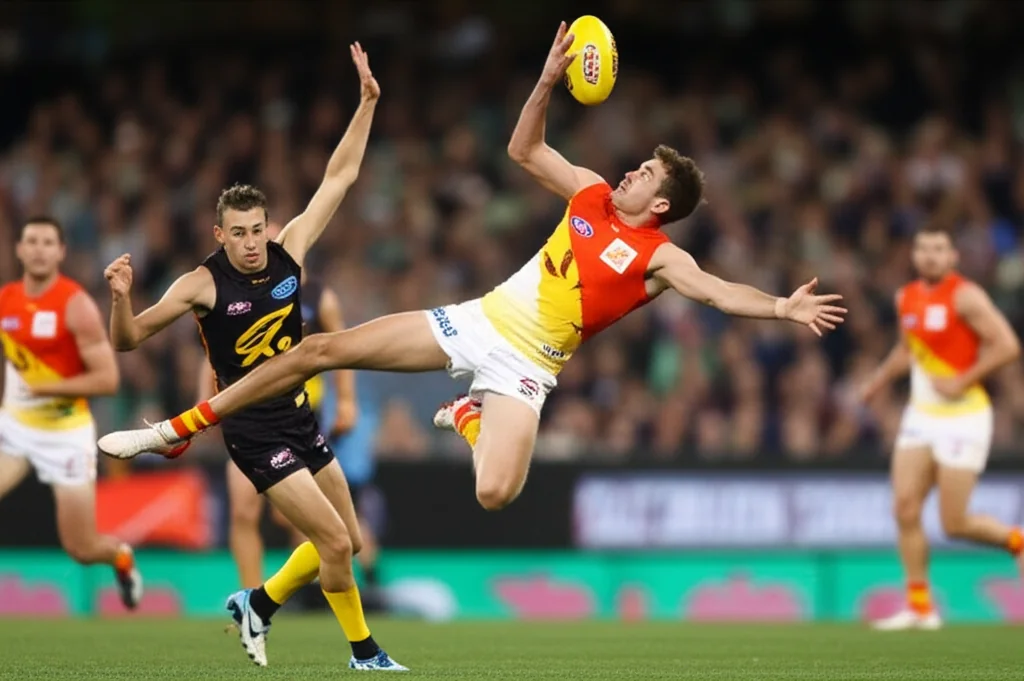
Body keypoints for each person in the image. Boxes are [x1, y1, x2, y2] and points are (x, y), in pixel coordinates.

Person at [98, 22, 847, 513]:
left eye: (646, 174)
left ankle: (466, 416)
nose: (631, 171)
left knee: (494, 493)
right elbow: (524, 150)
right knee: (317, 349)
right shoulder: (589, 192)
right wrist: (546, 82)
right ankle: (173, 428)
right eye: (640, 164)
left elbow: (717, 293)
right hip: (479, 320)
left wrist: (781, 307)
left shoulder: (661, 257)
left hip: (529, 365)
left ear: (661, 204)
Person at [101, 44, 405, 671]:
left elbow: (340, 177)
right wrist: (122, 299)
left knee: (348, 542)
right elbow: (128, 340)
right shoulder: (201, 284)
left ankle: (258, 604)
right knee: (331, 540)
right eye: (237, 233)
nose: (250, 243)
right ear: (220, 234)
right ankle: (364, 653)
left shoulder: (291, 251)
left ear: (269, 226)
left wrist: (368, 104)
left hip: (300, 416)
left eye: (257, 230)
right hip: (250, 427)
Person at [859, 224, 1022, 631]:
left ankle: (1017, 540)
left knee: (954, 523)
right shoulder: (907, 297)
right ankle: (920, 608)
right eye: (923, 249)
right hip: (921, 415)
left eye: (938, 249)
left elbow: (1007, 345)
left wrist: (963, 380)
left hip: (964, 416)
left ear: (953, 257)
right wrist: (878, 381)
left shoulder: (966, 296)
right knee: (905, 507)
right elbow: (907, 349)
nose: (930, 256)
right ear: (914, 255)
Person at [202, 221, 359, 593]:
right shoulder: (233, 293)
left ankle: (293, 595)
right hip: (245, 414)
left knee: (305, 520)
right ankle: (250, 597)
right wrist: (206, 405)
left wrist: (346, 400)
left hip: (300, 414)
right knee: (243, 510)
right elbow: (213, 355)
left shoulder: (317, 296)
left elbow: (341, 348)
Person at [0, 216, 141, 609]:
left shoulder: (75, 305)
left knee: (81, 547)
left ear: (61, 251)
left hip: (65, 434)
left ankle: (121, 557)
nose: (39, 249)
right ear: (19, 249)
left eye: (48, 242)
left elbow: (108, 380)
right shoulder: (6, 300)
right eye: (32, 241)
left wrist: (47, 388)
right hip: (14, 427)